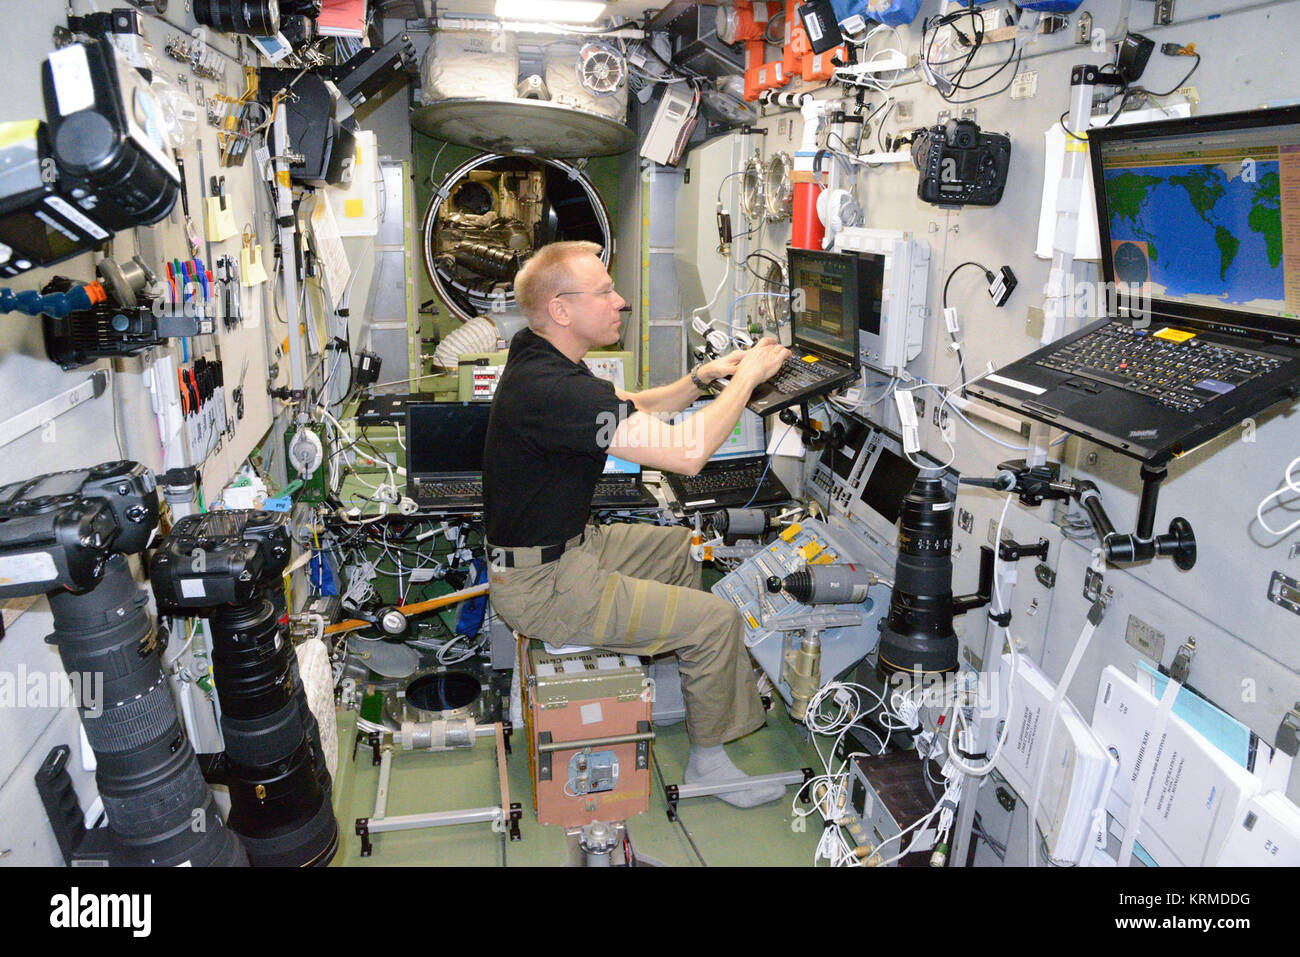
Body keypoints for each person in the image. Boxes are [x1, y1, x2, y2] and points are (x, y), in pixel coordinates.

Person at [484, 241, 792, 808]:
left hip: (572, 548)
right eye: (604, 292)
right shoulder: (554, 390)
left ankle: (686, 680)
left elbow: (633, 403)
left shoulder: (540, 356)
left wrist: (703, 377)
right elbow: (688, 453)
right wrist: (749, 378)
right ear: (561, 309)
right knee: (715, 621)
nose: (620, 301)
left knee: (682, 550)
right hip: (543, 587)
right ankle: (708, 765)